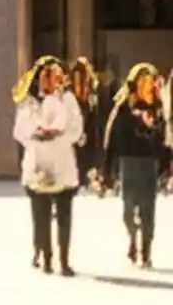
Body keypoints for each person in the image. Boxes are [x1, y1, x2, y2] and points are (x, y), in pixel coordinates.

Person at [12, 55, 82, 277]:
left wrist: (57, 135)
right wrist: (37, 135)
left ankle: (64, 259)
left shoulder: (68, 100)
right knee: (40, 216)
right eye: (47, 75)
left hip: (62, 163)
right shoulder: (29, 102)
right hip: (37, 164)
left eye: (56, 76)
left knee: (64, 215)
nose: (52, 80)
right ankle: (45, 255)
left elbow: (76, 128)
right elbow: (20, 132)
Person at [104, 62, 167, 268]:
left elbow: (165, 138)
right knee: (128, 211)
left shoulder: (158, 108)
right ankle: (132, 238)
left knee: (148, 211)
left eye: (150, 81)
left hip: (149, 163)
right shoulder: (123, 107)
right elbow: (111, 137)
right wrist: (107, 169)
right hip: (128, 162)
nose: (147, 85)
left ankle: (146, 251)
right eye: (143, 81)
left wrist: (166, 165)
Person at [67, 58, 105, 195]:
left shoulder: (92, 93)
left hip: (89, 130)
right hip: (73, 132)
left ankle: (90, 180)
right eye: (76, 78)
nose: (80, 81)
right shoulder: (68, 95)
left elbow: (95, 113)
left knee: (88, 156)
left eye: (82, 77)